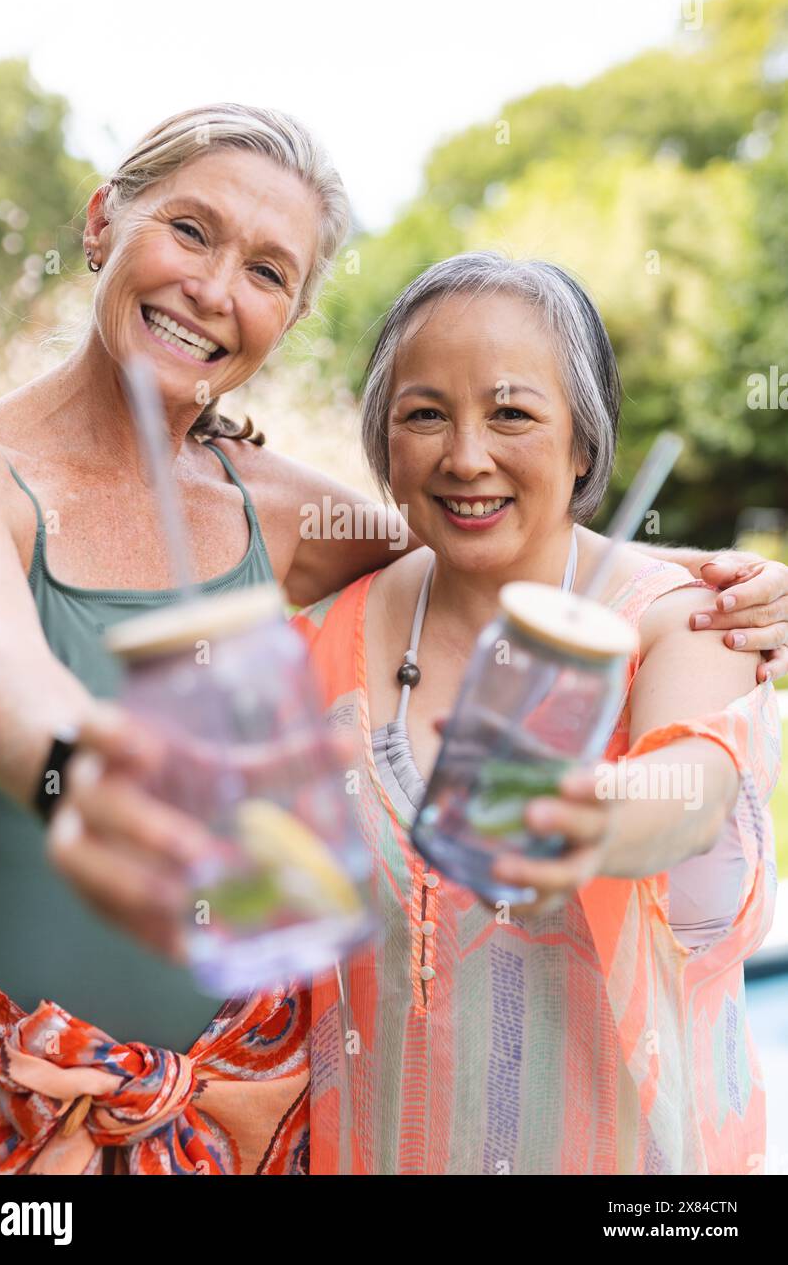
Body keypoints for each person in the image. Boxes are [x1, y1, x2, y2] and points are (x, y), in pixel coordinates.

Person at [0, 104, 785, 1171]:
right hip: (14, 1108)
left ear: (287, 316)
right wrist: (78, 775)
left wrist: (729, 586)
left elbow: (492, 532)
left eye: (269, 271)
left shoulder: (283, 515)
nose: (214, 288)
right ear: (102, 222)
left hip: (263, 1115)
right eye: (190, 231)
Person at [294, 254, 782, 1173]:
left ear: (583, 446)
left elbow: (688, 793)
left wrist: (578, 815)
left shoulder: (682, 620)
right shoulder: (322, 640)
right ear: (383, 443)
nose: (465, 456)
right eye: (424, 414)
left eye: (511, 412)